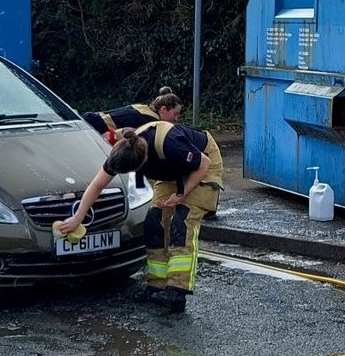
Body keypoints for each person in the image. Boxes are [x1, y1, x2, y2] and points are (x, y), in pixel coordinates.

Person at [57, 113, 223, 316]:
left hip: (203, 163)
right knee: (154, 223)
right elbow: (97, 185)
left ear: (143, 161)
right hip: (172, 172)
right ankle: (156, 285)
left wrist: (180, 195)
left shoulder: (170, 143)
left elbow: (202, 164)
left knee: (182, 221)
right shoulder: (124, 148)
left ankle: (177, 292)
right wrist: (77, 218)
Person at [83, 86, 179, 140]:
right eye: (175, 114)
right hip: (94, 128)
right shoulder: (152, 122)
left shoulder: (143, 107)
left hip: (90, 119)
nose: (177, 119)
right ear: (163, 109)